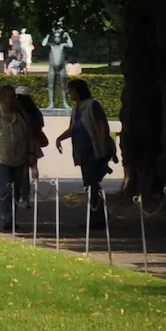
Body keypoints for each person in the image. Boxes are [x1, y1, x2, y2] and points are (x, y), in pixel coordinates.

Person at [56, 78, 117, 227]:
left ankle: (97, 217)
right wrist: (59, 139)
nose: (69, 93)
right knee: (89, 183)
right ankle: (97, 215)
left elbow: (103, 126)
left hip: (93, 149)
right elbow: (73, 129)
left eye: (71, 90)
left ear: (78, 91)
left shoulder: (92, 105)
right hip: (82, 151)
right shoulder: (75, 109)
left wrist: (103, 146)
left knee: (91, 183)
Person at [0, 86, 35, 229]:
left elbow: (30, 136)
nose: (13, 100)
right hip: (1, 159)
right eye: (10, 97)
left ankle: (13, 218)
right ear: (2, 98)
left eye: (14, 97)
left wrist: (32, 156)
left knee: (16, 190)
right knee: (5, 189)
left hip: (20, 159)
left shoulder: (23, 116)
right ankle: (6, 218)